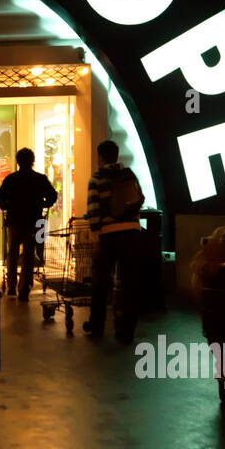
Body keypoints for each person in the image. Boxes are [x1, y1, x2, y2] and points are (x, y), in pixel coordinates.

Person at [82, 140, 146, 341]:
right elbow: (139, 198)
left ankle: (97, 327)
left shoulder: (97, 178)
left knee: (101, 281)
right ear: (116, 156)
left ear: (100, 156)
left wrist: (96, 238)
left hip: (109, 234)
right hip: (132, 233)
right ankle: (127, 331)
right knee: (131, 283)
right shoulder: (129, 174)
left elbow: (94, 210)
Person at [0, 147, 58, 300]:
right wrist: (44, 204)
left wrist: (7, 206)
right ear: (32, 161)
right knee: (28, 255)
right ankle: (24, 288)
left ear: (18, 161)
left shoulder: (11, 179)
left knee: (13, 253)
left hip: (14, 220)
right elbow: (52, 196)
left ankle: (11, 286)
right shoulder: (40, 179)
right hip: (32, 221)